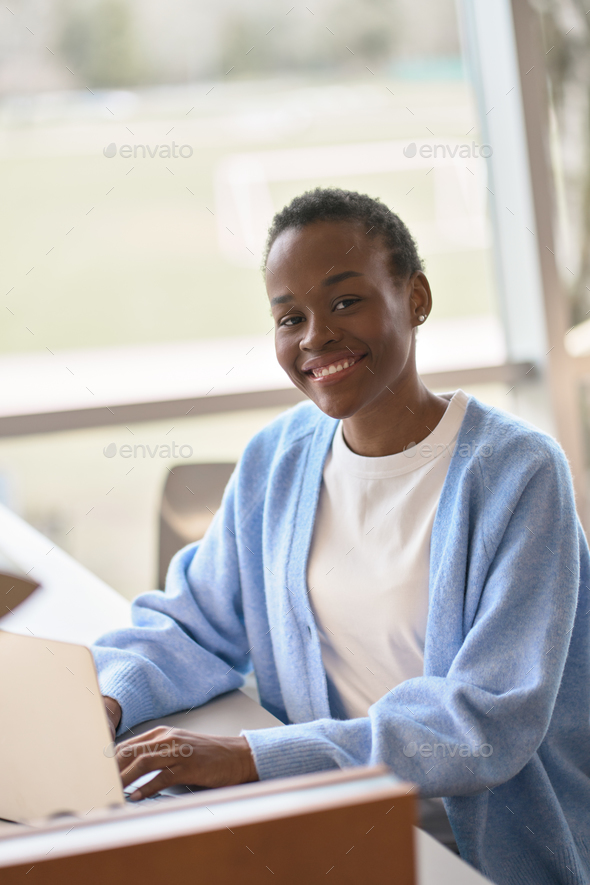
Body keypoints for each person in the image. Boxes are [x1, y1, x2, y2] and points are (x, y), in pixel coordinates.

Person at [93, 188, 590, 885]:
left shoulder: (517, 473)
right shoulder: (279, 457)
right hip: (328, 824)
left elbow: (485, 722)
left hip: (474, 848)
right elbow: (194, 621)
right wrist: (105, 698)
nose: (315, 335)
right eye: (289, 316)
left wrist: (252, 756)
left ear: (415, 296)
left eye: (345, 301)